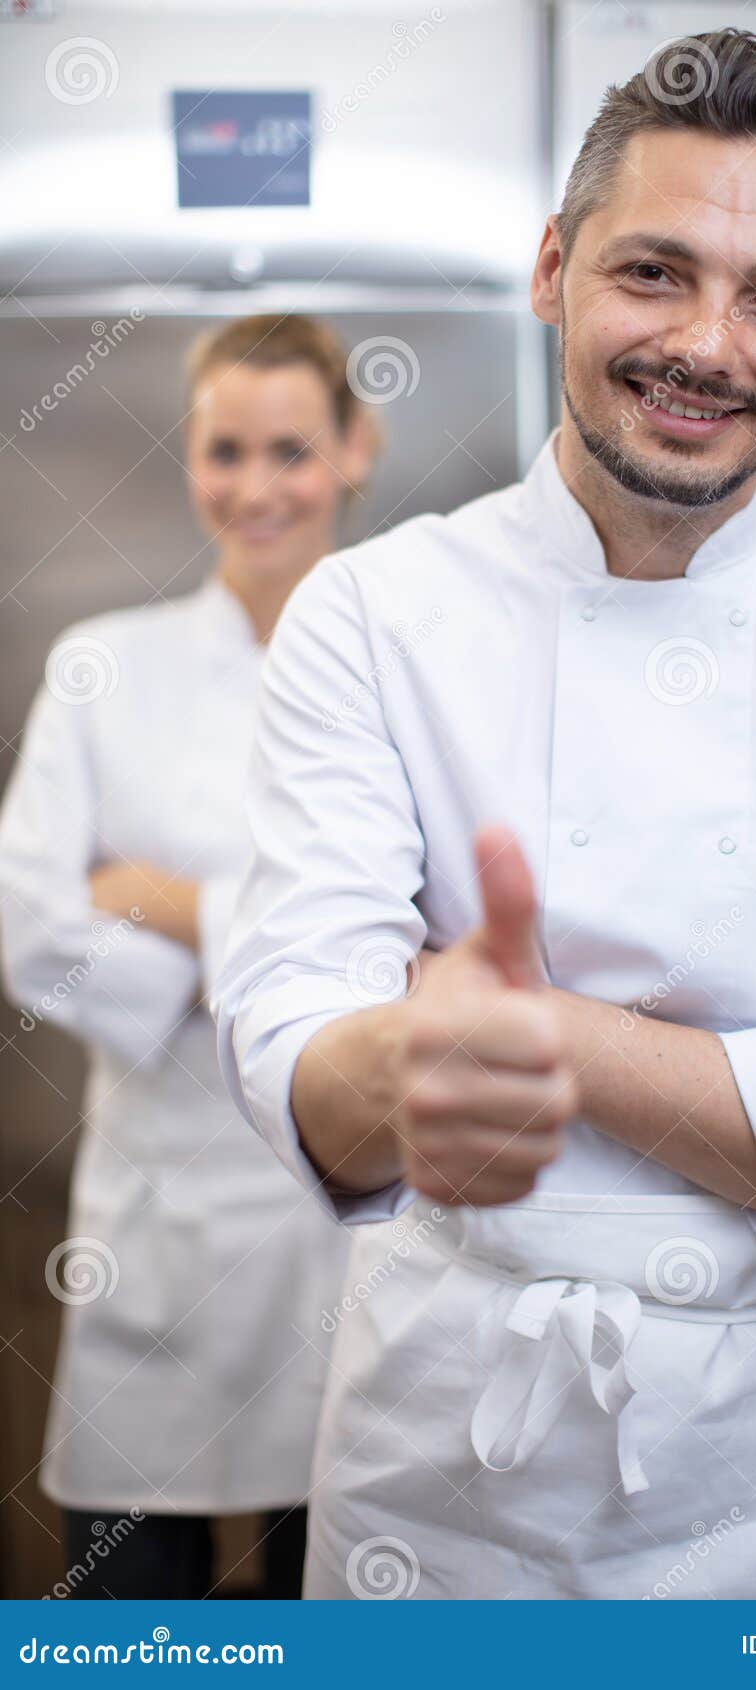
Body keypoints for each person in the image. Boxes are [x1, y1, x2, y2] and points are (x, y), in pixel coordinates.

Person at [211, 32, 756, 1600]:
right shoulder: (369, 615)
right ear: (550, 268)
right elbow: (300, 1051)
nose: (707, 346)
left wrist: (537, 1035)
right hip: (441, 1471)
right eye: (653, 273)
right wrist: (391, 1061)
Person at [0, 313, 377, 1597]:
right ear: (190, 458)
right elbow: (31, 926)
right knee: (130, 1595)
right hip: (160, 1217)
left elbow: (420, 950)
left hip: (350, 1218)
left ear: (354, 448)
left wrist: (163, 899)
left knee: (321, 1586)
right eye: (226, 450)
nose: (257, 486)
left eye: (291, 449)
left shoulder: (407, 665)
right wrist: (284, 946)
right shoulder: (103, 667)